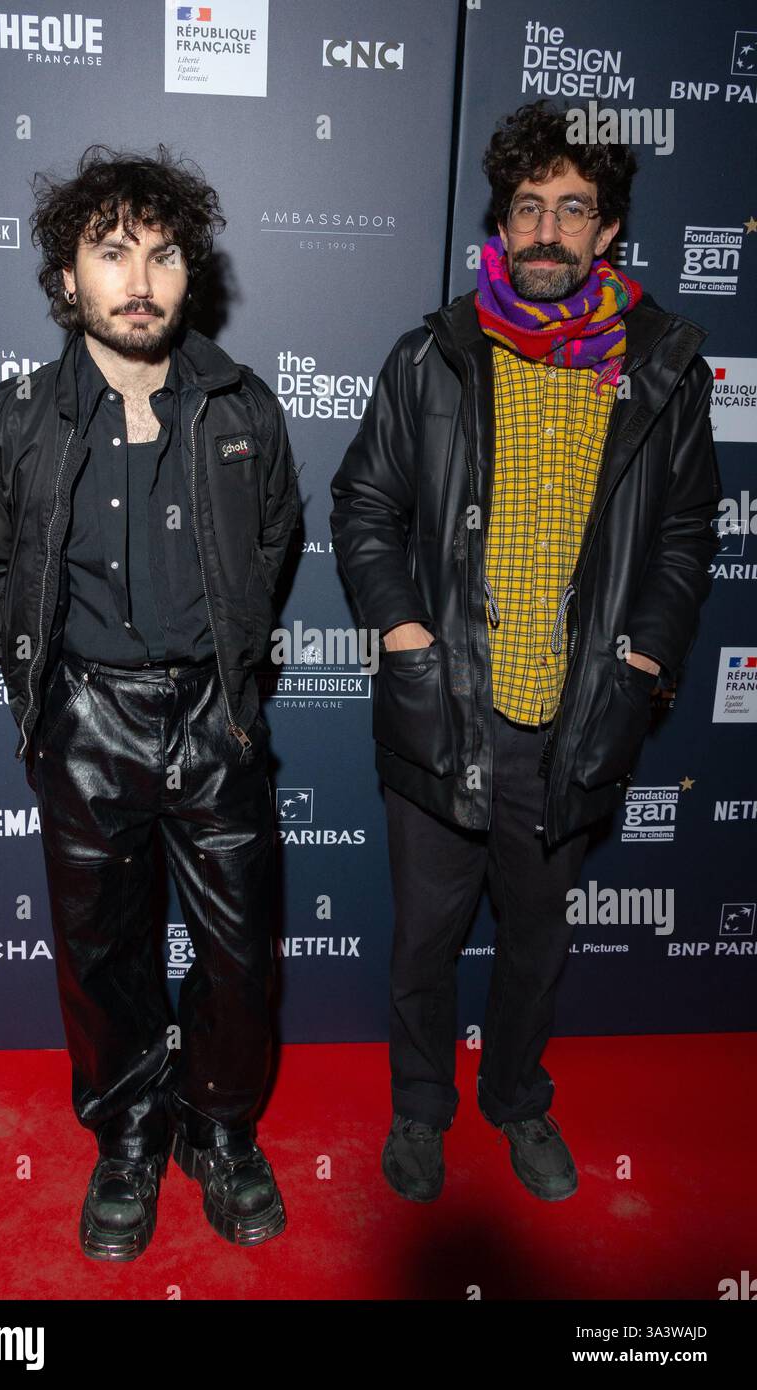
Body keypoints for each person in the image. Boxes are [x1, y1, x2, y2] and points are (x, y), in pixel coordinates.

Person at [329, 100, 722, 1205]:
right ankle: (419, 1109)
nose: (548, 229)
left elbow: (688, 528)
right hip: (444, 707)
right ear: (502, 224)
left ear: (608, 233)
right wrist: (406, 637)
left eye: (574, 209)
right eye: (529, 206)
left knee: (538, 946)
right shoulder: (436, 356)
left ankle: (516, 1097)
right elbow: (363, 501)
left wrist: (643, 661)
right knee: (423, 943)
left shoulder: (663, 367)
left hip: (577, 718)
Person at [0, 144, 299, 1259]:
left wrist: (232, 675)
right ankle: (131, 1139)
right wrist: (44, 691)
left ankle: (223, 1131)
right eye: (111, 252)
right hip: (86, 719)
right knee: (102, 954)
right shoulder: (12, 422)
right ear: (67, 279)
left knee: (241, 954)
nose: (138, 276)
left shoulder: (246, 409)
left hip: (215, 718)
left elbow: (277, 541)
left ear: (190, 274)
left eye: (162, 252)